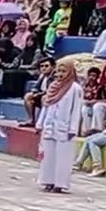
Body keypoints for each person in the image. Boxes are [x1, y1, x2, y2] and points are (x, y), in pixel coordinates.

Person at [36, 59, 84, 193]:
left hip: (65, 128)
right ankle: (48, 181)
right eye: (58, 71)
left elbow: (76, 110)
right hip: (50, 126)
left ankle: (60, 183)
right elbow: (46, 106)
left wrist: (73, 128)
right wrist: (40, 123)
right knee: (48, 155)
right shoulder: (53, 86)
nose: (60, 74)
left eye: (64, 71)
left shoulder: (75, 89)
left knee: (63, 157)